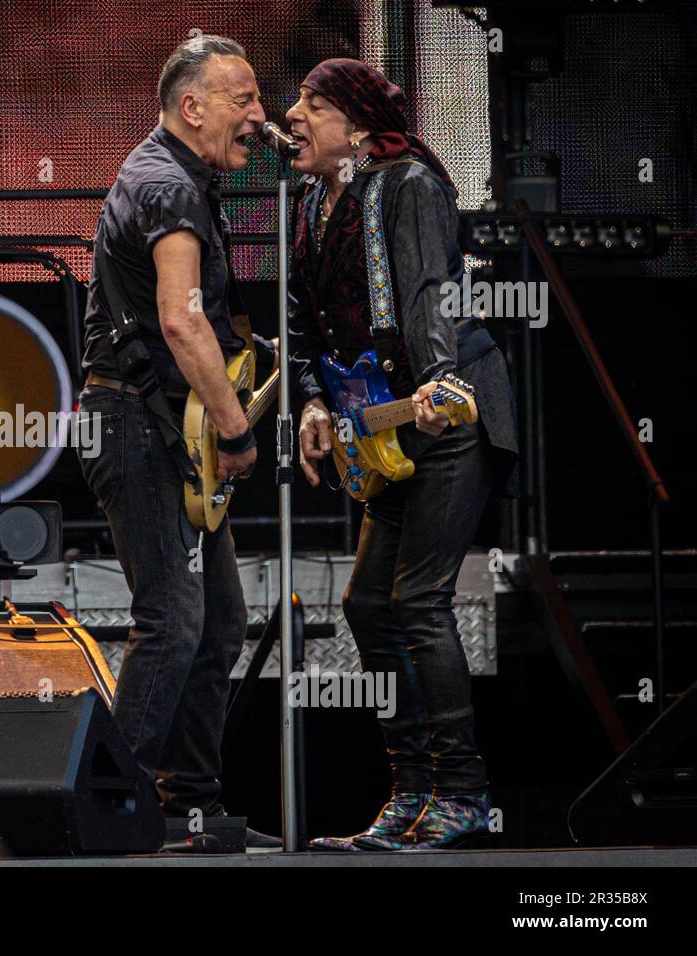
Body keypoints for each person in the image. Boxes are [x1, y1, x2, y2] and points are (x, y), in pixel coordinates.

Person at [285, 58, 518, 850]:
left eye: (309, 106)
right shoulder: (315, 202)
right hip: (385, 429)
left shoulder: (408, 182)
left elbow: (426, 295)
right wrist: (313, 403)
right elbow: (303, 325)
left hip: (445, 415)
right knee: (366, 606)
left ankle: (463, 792)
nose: (291, 116)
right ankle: (411, 791)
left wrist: (438, 380)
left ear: (353, 125)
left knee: (417, 601)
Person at [77, 35, 272, 841]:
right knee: (174, 620)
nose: (260, 117)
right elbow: (180, 318)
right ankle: (98, 810)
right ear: (192, 107)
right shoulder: (168, 186)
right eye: (245, 99)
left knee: (219, 620)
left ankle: (188, 804)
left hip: (156, 423)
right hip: (133, 423)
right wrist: (236, 427)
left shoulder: (174, 176)